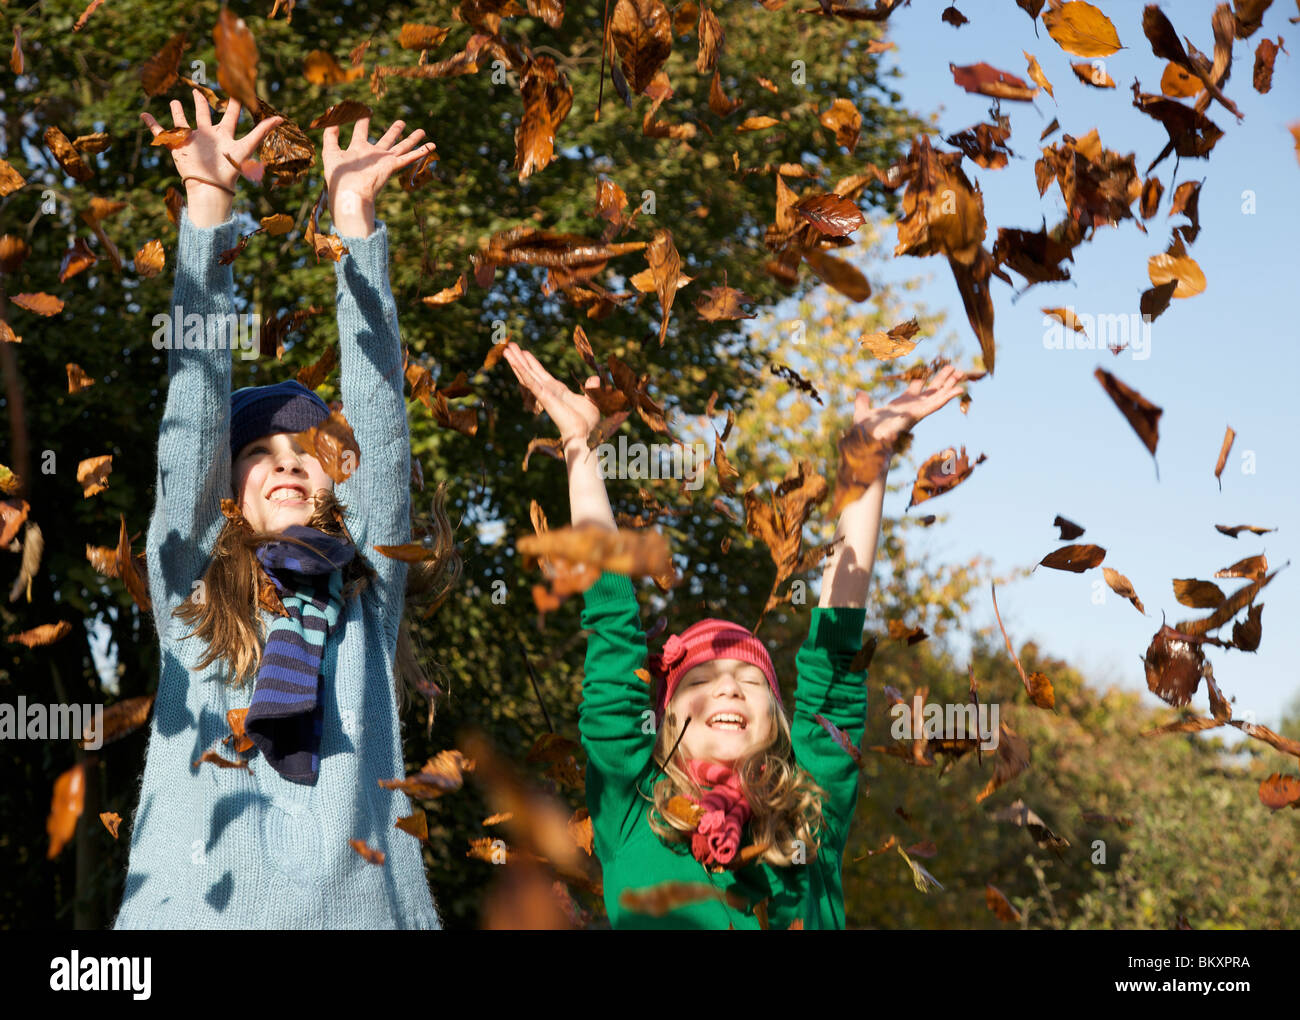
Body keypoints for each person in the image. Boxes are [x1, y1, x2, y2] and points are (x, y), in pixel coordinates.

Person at [113, 91, 456, 928]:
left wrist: (355, 226)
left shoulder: (369, 585)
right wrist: (208, 212)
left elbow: (376, 412)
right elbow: (193, 416)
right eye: (261, 455)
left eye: (309, 456)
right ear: (226, 491)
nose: (289, 466)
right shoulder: (191, 587)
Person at [502, 341, 966, 929]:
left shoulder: (809, 818)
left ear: (778, 719)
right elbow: (614, 640)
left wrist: (867, 460)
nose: (729, 688)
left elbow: (835, 660)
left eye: (750, 680)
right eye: (702, 678)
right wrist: (580, 446)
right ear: (665, 719)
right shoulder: (630, 811)